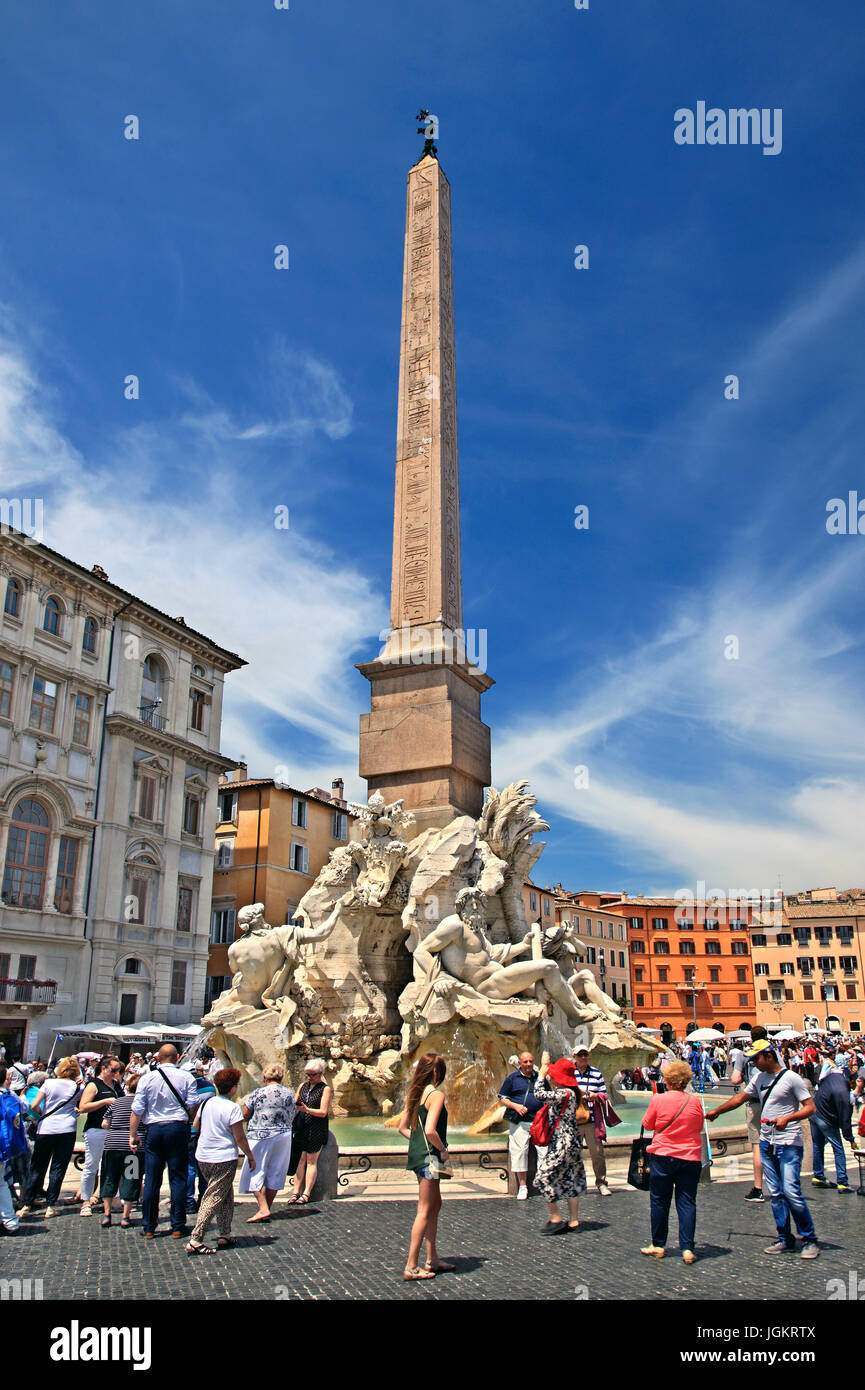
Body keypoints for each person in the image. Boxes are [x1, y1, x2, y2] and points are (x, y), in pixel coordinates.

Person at [708, 1040, 819, 1258]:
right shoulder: (759, 1078)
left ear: (769, 1055)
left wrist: (788, 1117)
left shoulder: (791, 1078)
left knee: (791, 1191)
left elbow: (810, 1108)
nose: (753, 1063)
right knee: (776, 1193)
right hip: (768, 1142)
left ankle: (810, 1239)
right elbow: (741, 1098)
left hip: (788, 1143)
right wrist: (717, 1112)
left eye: (756, 1058)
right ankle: (785, 1238)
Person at [130, 1043, 199, 1238]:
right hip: (177, 1128)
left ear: (158, 1059)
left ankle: (149, 1227)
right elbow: (193, 1105)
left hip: (154, 1129)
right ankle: (177, 1225)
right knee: (178, 1178)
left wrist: (132, 1135)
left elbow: (137, 1109)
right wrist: (191, 1120)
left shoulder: (147, 1078)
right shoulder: (187, 1077)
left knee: (152, 1179)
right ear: (177, 1058)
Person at [639, 1059, 705, 1263]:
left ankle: (658, 1245)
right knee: (687, 1202)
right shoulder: (694, 1101)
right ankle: (687, 1249)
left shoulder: (658, 1099)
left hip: (663, 1156)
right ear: (686, 1080)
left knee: (659, 1201)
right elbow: (698, 1126)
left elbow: (647, 1124)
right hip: (690, 1157)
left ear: (667, 1080)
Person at [186, 1068, 256, 1254]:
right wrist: (249, 1155)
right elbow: (240, 1137)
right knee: (214, 1196)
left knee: (225, 1194)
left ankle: (225, 1233)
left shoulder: (207, 1103)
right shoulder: (232, 1108)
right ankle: (196, 1238)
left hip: (203, 1156)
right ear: (233, 1088)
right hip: (223, 1158)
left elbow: (195, 1125)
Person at [399, 1051, 453, 1281]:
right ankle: (411, 1266)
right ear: (435, 1072)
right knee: (424, 1210)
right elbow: (430, 1130)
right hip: (431, 1157)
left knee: (434, 1205)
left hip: (421, 1156)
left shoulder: (417, 1094)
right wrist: (441, 1149)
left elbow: (403, 1128)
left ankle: (432, 1258)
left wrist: (418, 1144)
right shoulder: (436, 1095)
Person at [20, 1055, 82, 1217]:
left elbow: (34, 1105)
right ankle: (50, 1205)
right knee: (58, 1168)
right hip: (67, 1128)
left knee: (38, 1166)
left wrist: (42, 1114)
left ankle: (27, 1202)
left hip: (46, 1128)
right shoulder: (77, 1087)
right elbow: (76, 1106)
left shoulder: (48, 1083)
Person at [533, 1055, 587, 1234]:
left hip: (561, 1142)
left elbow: (539, 1095)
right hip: (573, 1141)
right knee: (571, 1178)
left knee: (543, 1176)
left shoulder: (564, 1093)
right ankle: (574, 1221)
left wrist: (541, 1075)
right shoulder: (572, 1093)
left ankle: (555, 1217)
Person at [238, 1063, 296, 1222]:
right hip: (283, 1135)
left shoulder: (258, 1093)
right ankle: (265, 1209)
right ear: (281, 1077)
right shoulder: (289, 1094)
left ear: (265, 1078)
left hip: (260, 1135)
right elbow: (292, 1114)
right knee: (276, 1171)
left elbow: (245, 1114)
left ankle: (263, 1209)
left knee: (253, 1170)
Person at [77, 1055, 124, 1218]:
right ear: (103, 1069)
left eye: (118, 1071)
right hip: (95, 1129)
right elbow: (83, 1106)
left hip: (113, 1130)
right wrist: (104, 1102)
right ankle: (85, 1201)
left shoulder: (116, 1084)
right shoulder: (93, 1085)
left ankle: (114, 1199)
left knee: (111, 1165)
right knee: (91, 1165)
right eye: (114, 1070)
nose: (116, 1074)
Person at [99, 1072, 144, 1227]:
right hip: (133, 1148)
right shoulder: (143, 1104)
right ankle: (125, 1216)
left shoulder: (117, 1102)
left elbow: (104, 1124)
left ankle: (106, 1214)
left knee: (109, 1177)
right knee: (131, 1179)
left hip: (112, 1145)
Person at [498, 1051, 542, 1199]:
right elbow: (502, 1098)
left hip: (538, 1121)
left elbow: (548, 1095)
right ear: (520, 1063)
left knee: (544, 1152)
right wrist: (516, 1106)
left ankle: (544, 1182)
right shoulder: (512, 1078)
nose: (529, 1064)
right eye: (525, 1062)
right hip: (520, 1122)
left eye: (530, 1061)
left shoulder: (539, 1077)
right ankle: (522, 1187)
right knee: (519, 1152)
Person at [730, 1025, 767, 1203]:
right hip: (774, 1103)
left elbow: (735, 1079)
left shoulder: (744, 1055)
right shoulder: (773, 1052)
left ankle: (758, 1188)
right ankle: (782, 1186)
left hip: (754, 1102)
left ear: (751, 1038)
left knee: (757, 1145)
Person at [288, 1059, 331, 1206]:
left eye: (312, 1075)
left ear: (320, 1074)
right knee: (300, 1160)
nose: (309, 1077)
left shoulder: (325, 1089)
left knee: (311, 1161)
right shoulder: (303, 1086)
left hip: (316, 1128)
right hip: (301, 1128)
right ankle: (295, 1191)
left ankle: (306, 1193)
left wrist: (307, 1110)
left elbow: (323, 1112)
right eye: (307, 1074)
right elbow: (295, 1103)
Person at [810, 1061, 855, 1193]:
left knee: (817, 1145)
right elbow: (845, 1117)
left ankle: (818, 1176)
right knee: (838, 1149)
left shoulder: (832, 1076)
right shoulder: (843, 1090)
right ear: (851, 1082)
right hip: (826, 1119)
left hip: (814, 1113)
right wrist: (850, 1138)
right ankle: (842, 1182)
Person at [573, 1046, 612, 1196]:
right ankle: (576, 1183)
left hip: (592, 1118)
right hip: (574, 1119)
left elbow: (604, 1095)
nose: (583, 1057)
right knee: (574, 1153)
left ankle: (601, 1182)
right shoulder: (570, 1073)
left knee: (597, 1153)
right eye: (580, 1055)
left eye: (585, 1054)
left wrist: (595, 1096)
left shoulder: (596, 1073)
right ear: (574, 1056)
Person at [0, 1065, 28, 1233]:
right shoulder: (10, 1095)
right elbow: (24, 1109)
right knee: (2, 1184)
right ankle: (10, 1220)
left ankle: (9, 1220)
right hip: (5, 1146)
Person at [187, 1063, 216, 1213]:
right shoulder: (210, 1087)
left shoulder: (186, 1086)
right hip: (206, 1130)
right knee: (204, 1166)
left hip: (189, 1129)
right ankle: (204, 1198)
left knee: (189, 1166)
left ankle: (188, 1201)